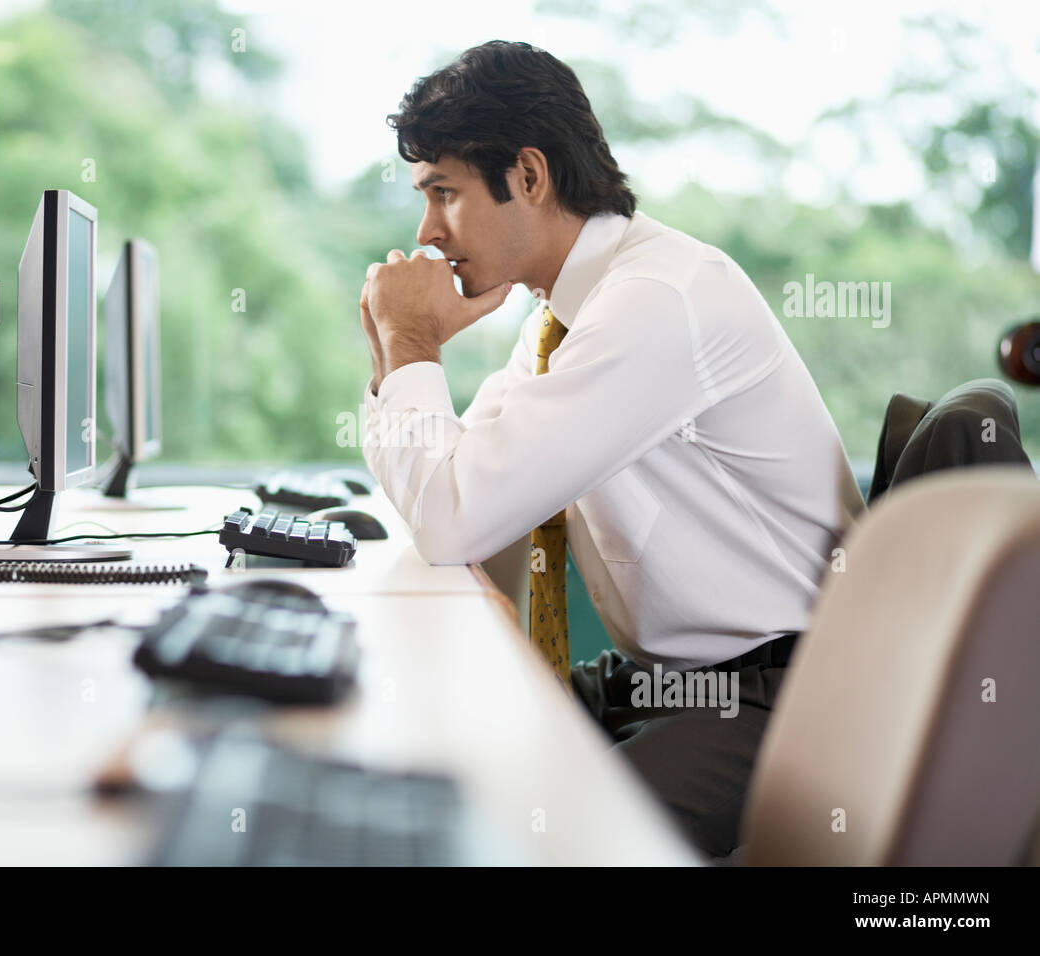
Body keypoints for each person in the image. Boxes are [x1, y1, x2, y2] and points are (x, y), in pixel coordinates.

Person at [358, 40, 866, 859]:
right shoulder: (559, 321)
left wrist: (414, 345)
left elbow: (454, 519)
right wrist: (398, 357)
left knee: (533, 842)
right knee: (445, 761)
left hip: (775, 697)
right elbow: (455, 491)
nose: (426, 231)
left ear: (528, 176)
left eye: (443, 193)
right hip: (663, 682)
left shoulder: (656, 302)